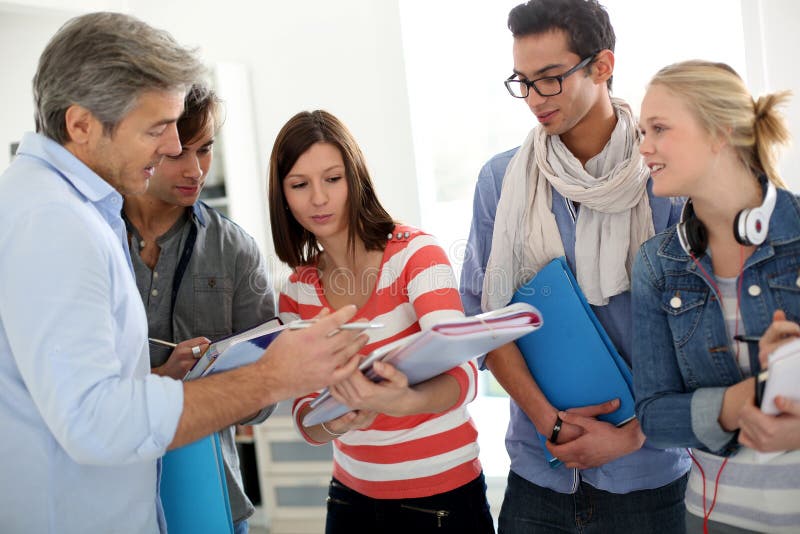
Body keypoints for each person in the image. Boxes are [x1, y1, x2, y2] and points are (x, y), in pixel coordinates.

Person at [0, 13, 365, 533]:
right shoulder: (54, 222)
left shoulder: (57, 208)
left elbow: (74, 392)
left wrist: (158, 380)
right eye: (157, 129)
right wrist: (271, 376)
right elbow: (94, 423)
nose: (175, 150)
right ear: (80, 125)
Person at [459, 0, 691, 532]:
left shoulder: (666, 179)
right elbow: (485, 321)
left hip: (647, 476)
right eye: (523, 81)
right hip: (539, 472)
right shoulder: (501, 181)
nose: (534, 99)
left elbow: (695, 337)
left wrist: (630, 435)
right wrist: (551, 423)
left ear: (602, 66)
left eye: (550, 79)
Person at [268, 110, 494, 533]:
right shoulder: (296, 290)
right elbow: (303, 413)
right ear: (283, 197)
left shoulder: (416, 255)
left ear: (355, 178)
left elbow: (464, 376)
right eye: (300, 185)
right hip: (350, 501)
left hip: (440, 502)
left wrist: (399, 402)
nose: (318, 198)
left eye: (332, 179)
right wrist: (331, 423)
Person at [633, 59, 800, 533]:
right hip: (714, 518)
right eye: (642, 132)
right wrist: (753, 394)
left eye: (659, 129)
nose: (644, 148)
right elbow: (655, 418)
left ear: (719, 132)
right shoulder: (657, 263)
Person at [122, 83, 275, 534]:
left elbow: (265, 397)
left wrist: (221, 378)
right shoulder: (93, 240)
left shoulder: (236, 249)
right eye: (177, 154)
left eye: (205, 149)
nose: (196, 170)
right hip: (109, 491)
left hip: (210, 495)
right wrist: (160, 382)